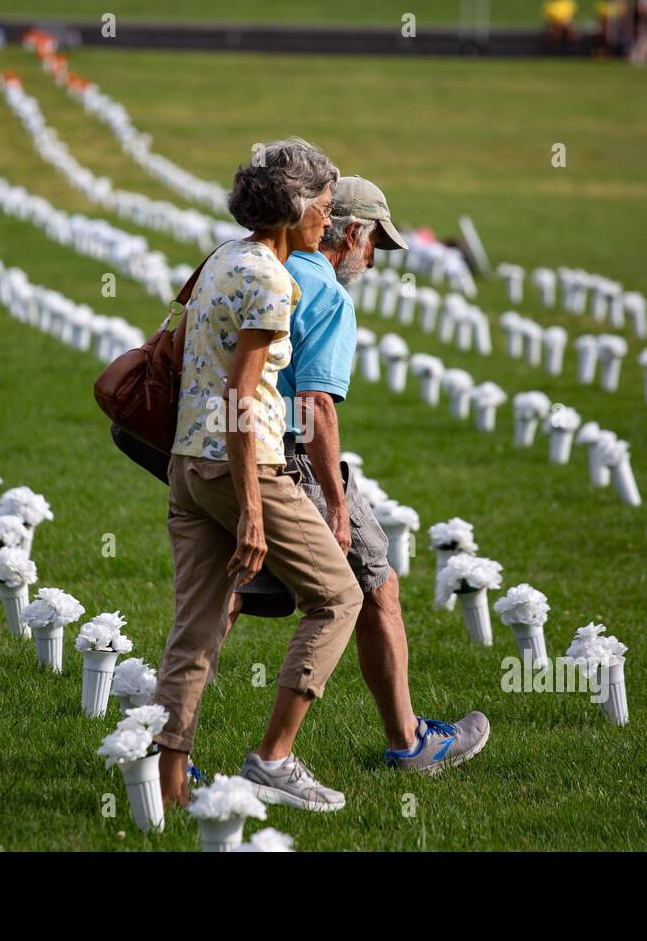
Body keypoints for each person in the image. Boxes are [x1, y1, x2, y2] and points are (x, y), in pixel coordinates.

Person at [228, 177, 491, 773]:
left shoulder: (263, 265)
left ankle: (168, 737)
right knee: (372, 586)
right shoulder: (326, 294)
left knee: (232, 592)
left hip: (233, 450)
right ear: (348, 234)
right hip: (293, 459)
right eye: (373, 243)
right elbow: (315, 407)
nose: (373, 259)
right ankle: (407, 743)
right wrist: (338, 505)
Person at [151, 138, 363, 813]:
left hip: (186, 466)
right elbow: (243, 400)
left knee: (195, 634)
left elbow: (189, 355)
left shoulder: (223, 257)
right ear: (294, 209)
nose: (329, 224)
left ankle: (171, 789)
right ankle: (273, 759)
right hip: (240, 465)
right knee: (338, 597)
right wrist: (251, 508)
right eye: (324, 209)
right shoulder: (273, 280)